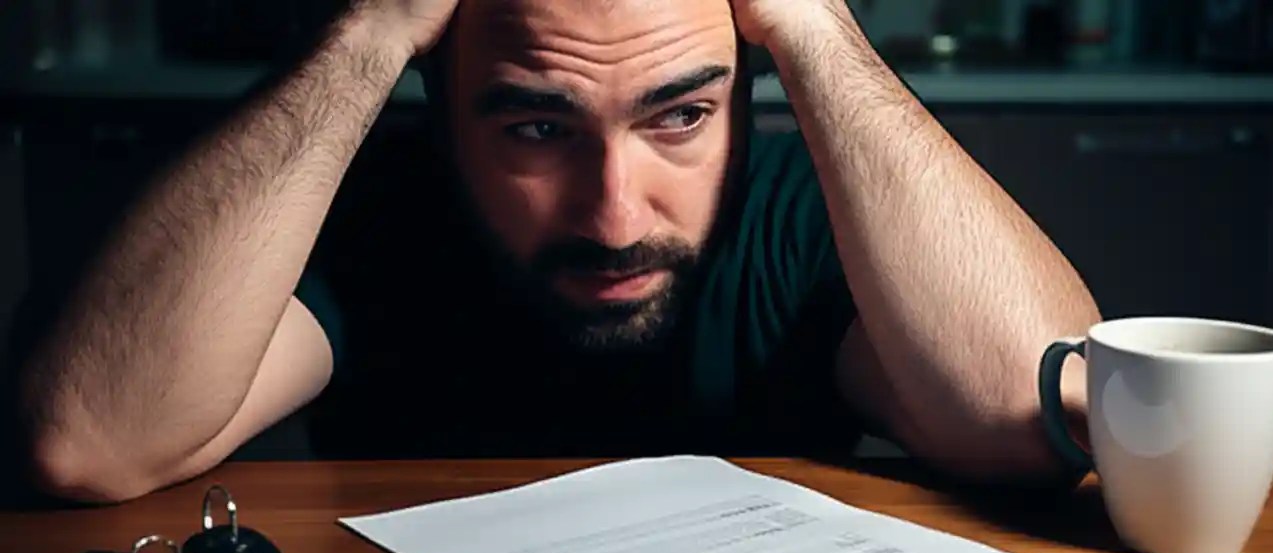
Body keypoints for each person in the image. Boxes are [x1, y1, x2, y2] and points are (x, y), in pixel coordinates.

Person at [14, 0, 1100, 504]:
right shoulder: (376, 212)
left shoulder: (803, 219)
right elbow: (91, 441)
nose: (615, 215)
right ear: (442, 108)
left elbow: (1040, 419)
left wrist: (817, 25)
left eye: (679, 117)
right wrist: (367, 37)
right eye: (537, 129)